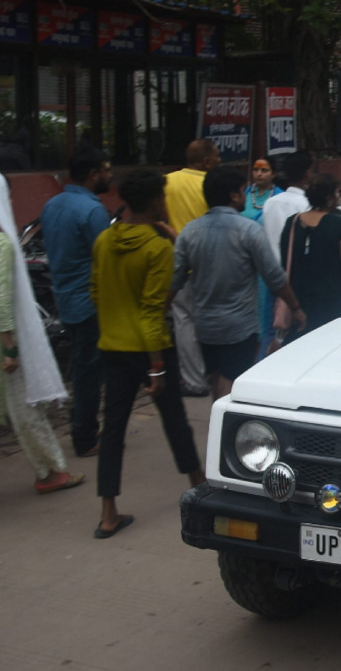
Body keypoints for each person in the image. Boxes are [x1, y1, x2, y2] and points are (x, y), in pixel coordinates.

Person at [91, 170, 205, 539]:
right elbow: (153, 311)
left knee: (113, 430)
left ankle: (108, 513)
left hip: (113, 346)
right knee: (174, 419)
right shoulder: (158, 248)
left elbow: (96, 292)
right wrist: (156, 366)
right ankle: (198, 485)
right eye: (162, 197)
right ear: (155, 201)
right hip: (151, 350)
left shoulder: (105, 241)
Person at [170, 166, 306, 399]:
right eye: (243, 191)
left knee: (216, 377)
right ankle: (223, 427)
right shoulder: (249, 230)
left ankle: (218, 420)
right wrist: (295, 308)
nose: (245, 196)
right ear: (234, 195)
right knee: (230, 383)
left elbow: (175, 280)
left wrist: (159, 311)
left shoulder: (190, 232)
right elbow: (274, 276)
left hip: (204, 327)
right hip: (240, 328)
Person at [0, 175, 85, 493]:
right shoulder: (4, 243)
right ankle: (49, 470)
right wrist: (9, 347)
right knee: (26, 408)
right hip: (5, 341)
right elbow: (3, 299)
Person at [38, 145, 113, 457]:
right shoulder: (92, 211)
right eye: (107, 170)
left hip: (66, 300)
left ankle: (83, 426)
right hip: (90, 303)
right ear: (94, 174)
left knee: (85, 369)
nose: (110, 176)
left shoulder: (53, 204)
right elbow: (106, 260)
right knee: (88, 372)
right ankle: (85, 435)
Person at [164, 139, 221, 397]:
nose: (220, 160)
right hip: (210, 261)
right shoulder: (211, 184)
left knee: (184, 319)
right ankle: (216, 373)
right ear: (207, 161)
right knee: (210, 317)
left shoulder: (167, 182)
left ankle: (194, 380)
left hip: (177, 261)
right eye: (217, 156)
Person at [277, 174, 341, 345]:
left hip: (299, 301)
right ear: (329, 198)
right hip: (334, 301)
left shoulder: (291, 223)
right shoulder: (339, 224)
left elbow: (285, 261)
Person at [241, 157, 285, 358]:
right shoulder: (244, 195)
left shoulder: (280, 198)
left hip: (267, 260)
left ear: (273, 173)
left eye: (264, 170)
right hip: (243, 259)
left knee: (265, 304)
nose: (259, 174)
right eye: (256, 169)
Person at [262, 150, 314, 263]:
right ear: (308, 173)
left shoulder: (270, 203)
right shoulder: (308, 205)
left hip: (272, 272)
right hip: (297, 271)